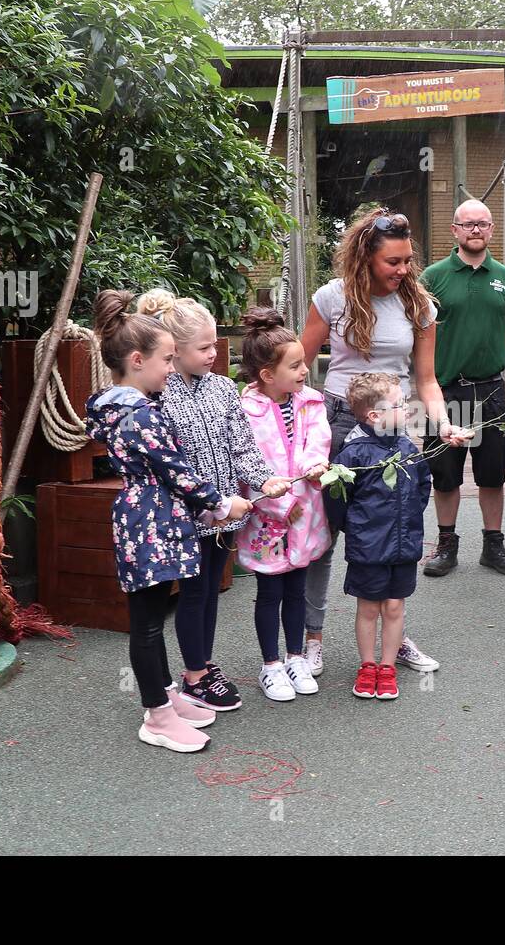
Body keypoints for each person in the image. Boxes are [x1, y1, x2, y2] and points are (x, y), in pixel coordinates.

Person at [298, 207, 469, 677]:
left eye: (408, 259)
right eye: (393, 261)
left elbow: (427, 379)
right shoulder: (333, 299)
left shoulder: (419, 305)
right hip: (335, 419)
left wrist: (444, 425)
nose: (403, 269)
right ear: (365, 258)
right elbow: (300, 369)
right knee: (326, 533)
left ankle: (392, 634)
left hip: (395, 421)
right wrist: (299, 431)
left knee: (392, 528)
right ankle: (312, 637)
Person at [85, 290, 253, 753]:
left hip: (153, 517)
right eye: (166, 360)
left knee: (155, 615)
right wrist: (224, 504)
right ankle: (156, 715)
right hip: (150, 521)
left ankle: (165, 698)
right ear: (138, 360)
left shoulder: (124, 406)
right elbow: (176, 472)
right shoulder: (139, 413)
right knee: (147, 622)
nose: (170, 369)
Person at [137, 288, 290, 714]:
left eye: (214, 344)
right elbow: (164, 463)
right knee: (192, 593)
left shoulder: (223, 388)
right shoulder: (157, 395)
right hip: (187, 515)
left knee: (209, 592)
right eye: (203, 347)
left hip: (226, 517)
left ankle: (202, 665)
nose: (213, 353)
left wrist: (264, 481)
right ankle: (195, 676)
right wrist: (210, 501)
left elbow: (242, 447)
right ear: (175, 350)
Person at [419, 199, 505, 578]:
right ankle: (445, 544)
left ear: (492, 229)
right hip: (445, 392)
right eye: (468, 224)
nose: (476, 230)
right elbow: (418, 332)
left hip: (492, 393)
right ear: (455, 230)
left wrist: (485, 354)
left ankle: (493, 546)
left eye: (483, 224)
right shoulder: (432, 278)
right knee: (444, 474)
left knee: (492, 474)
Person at [236, 309, 333, 702]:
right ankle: (271, 664)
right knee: (269, 591)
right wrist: (279, 503)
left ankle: (296, 656)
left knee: (297, 590)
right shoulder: (247, 410)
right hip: (268, 517)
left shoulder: (311, 402)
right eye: (294, 366)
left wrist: (315, 467)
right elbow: (249, 463)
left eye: (303, 363)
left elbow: (317, 441)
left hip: (305, 511)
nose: (304, 371)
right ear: (267, 375)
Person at [324, 372, 432, 700]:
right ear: (375, 415)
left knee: (395, 606)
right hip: (368, 547)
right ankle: (367, 664)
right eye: (399, 404)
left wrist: (410, 518)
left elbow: (422, 485)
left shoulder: (407, 447)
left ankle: (388, 666)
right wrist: (355, 528)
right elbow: (336, 497)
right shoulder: (353, 455)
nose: (407, 408)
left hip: (404, 544)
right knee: (369, 607)